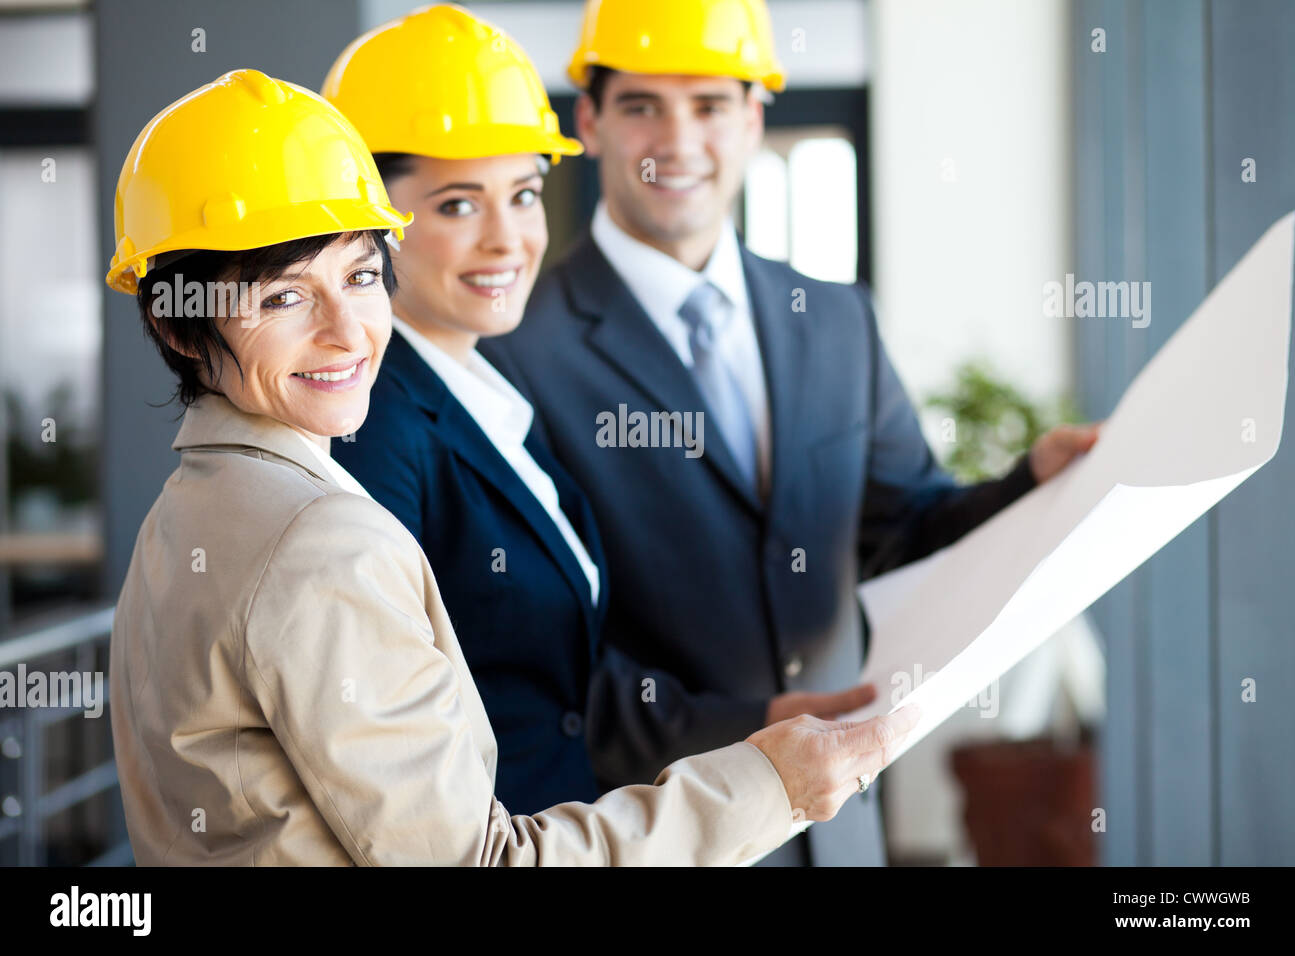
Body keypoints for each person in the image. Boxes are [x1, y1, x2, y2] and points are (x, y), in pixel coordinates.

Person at [104, 68, 920, 866]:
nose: (348, 332)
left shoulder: (182, 519)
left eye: (359, 276)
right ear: (177, 325)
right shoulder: (323, 538)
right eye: (283, 296)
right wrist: (769, 787)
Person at [480, 0, 1101, 866]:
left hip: (840, 826)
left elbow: (905, 530)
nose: (678, 139)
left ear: (753, 117)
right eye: (641, 105)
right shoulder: (515, 352)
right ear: (588, 122)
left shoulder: (835, 319)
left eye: (709, 105)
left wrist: (1029, 485)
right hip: (660, 828)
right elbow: (532, 662)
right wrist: (748, 734)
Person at [323, 3, 879, 819]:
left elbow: (564, 684)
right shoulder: (373, 430)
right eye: (456, 205)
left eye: (522, 195)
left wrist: (753, 723)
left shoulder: (490, 403)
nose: (508, 240)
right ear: (371, 223)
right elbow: (377, 740)